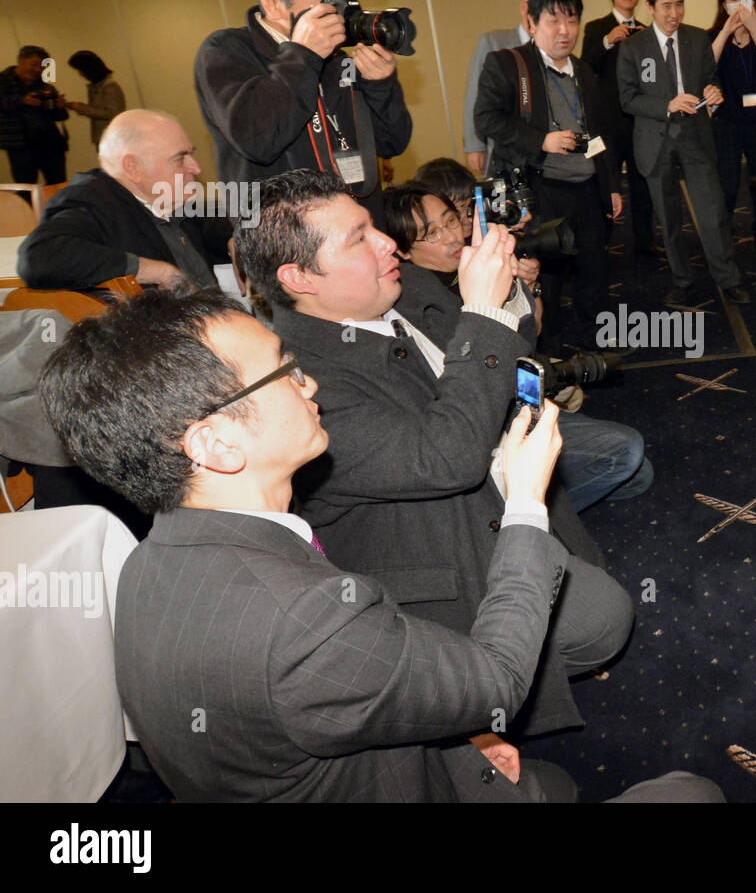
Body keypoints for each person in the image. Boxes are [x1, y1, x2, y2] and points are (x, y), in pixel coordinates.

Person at [39, 286, 720, 802]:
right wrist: (524, 504)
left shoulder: (149, 559)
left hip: (395, 756)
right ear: (214, 443)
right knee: (695, 793)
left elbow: (344, 694)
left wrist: (462, 733)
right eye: (282, 372)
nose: (309, 385)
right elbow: (497, 684)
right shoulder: (300, 623)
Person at [234, 168, 634, 737]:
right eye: (358, 239)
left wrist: (508, 293)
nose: (387, 244)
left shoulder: (404, 285)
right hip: (434, 546)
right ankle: (462, 705)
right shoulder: (298, 380)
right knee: (606, 620)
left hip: (495, 478)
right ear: (299, 277)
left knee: (625, 479)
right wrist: (482, 313)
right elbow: (446, 458)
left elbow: (510, 349)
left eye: (372, 226)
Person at [384, 180, 654, 512]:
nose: (451, 236)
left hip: (515, 401)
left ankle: (529, 496)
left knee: (638, 473)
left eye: (451, 221)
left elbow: (529, 338)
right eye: (432, 233)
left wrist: (522, 288)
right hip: (484, 423)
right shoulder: (416, 302)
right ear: (403, 251)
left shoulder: (474, 264)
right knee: (625, 454)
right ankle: (517, 517)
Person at [193, 0, 412, 226]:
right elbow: (259, 139)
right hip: (287, 241)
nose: (334, 10)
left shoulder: (336, 59)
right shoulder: (226, 51)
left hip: (358, 228)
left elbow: (391, 142)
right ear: (272, 2)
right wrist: (303, 56)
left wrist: (380, 85)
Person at [475, 0, 623, 351]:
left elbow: (602, 134)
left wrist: (612, 187)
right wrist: (540, 140)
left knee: (594, 270)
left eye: (572, 20)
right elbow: (486, 119)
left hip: (587, 189)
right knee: (545, 279)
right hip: (540, 190)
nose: (565, 31)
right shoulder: (508, 65)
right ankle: (550, 352)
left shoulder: (585, 71)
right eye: (554, 20)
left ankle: (596, 345)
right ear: (532, 23)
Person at [617, 0, 750, 307]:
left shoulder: (697, 39)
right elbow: (627, 99)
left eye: (679, 5)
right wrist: (667, 104)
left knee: (712, 212)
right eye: (666, 6)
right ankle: (682, 279)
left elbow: (710, 77)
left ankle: (728, 278)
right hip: (655, 139)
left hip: (694, 136)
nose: (674, 13)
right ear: (650, 7)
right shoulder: (633, 47)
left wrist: (712, 89)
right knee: (669, 217)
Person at [17, 109, 230, 290]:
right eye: (179, 159)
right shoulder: (94, 202)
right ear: (133, 167)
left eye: (191, 154)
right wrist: (156, 271)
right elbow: (39, 257)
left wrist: (237, 240)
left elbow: (211, 226)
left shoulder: (170, 199)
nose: (196, 168)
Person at [580, 0, 656, 255]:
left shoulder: (646, 32)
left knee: (642, 186)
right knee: (607, 185)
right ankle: (601, 244)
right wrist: (608, 40)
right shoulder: (596, 28)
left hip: (639, 122)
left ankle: (646, 245)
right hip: (607, 123)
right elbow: (585, 67)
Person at [707, 0, 756, 267]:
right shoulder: (714, 34)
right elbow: (705, 66)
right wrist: (726, 32)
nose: (738, 3)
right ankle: (723, 244)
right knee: (726, 184)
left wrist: (751, 27)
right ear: (723, 4)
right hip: (727, 122)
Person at [462, 0, 531, 176]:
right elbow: (474, 95)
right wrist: (474, 146)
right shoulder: (493, 42)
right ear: (524, 7)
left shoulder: (553, 47)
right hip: (501, 146)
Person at [0, 45, 68, 187]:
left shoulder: (46, 88)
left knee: (58, 185)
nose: (38, 70)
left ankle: (60, 210)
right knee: (27, 189)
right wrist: (22, 101)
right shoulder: (3, 82)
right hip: (20, 146)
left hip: (50, 144)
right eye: (34, 65)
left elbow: (59, 117)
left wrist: (59, 107)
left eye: (42, 67)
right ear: (20, 60)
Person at [64, 50, 126, 149]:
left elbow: (112, 114)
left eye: (81, 70)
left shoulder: (109, 86)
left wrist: (80, 107)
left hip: (112, 138)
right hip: (105, 138)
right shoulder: (97, 86)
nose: (80, 74)